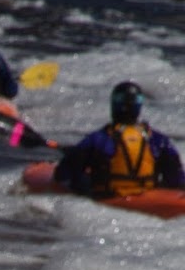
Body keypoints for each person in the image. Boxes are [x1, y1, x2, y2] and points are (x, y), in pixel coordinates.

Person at [54, 81, 184, 197]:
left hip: (108, 199)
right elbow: (176, 179)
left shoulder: (99, 138)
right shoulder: (158, 140)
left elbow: (63, 173)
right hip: (147, 199)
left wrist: (84, 186)